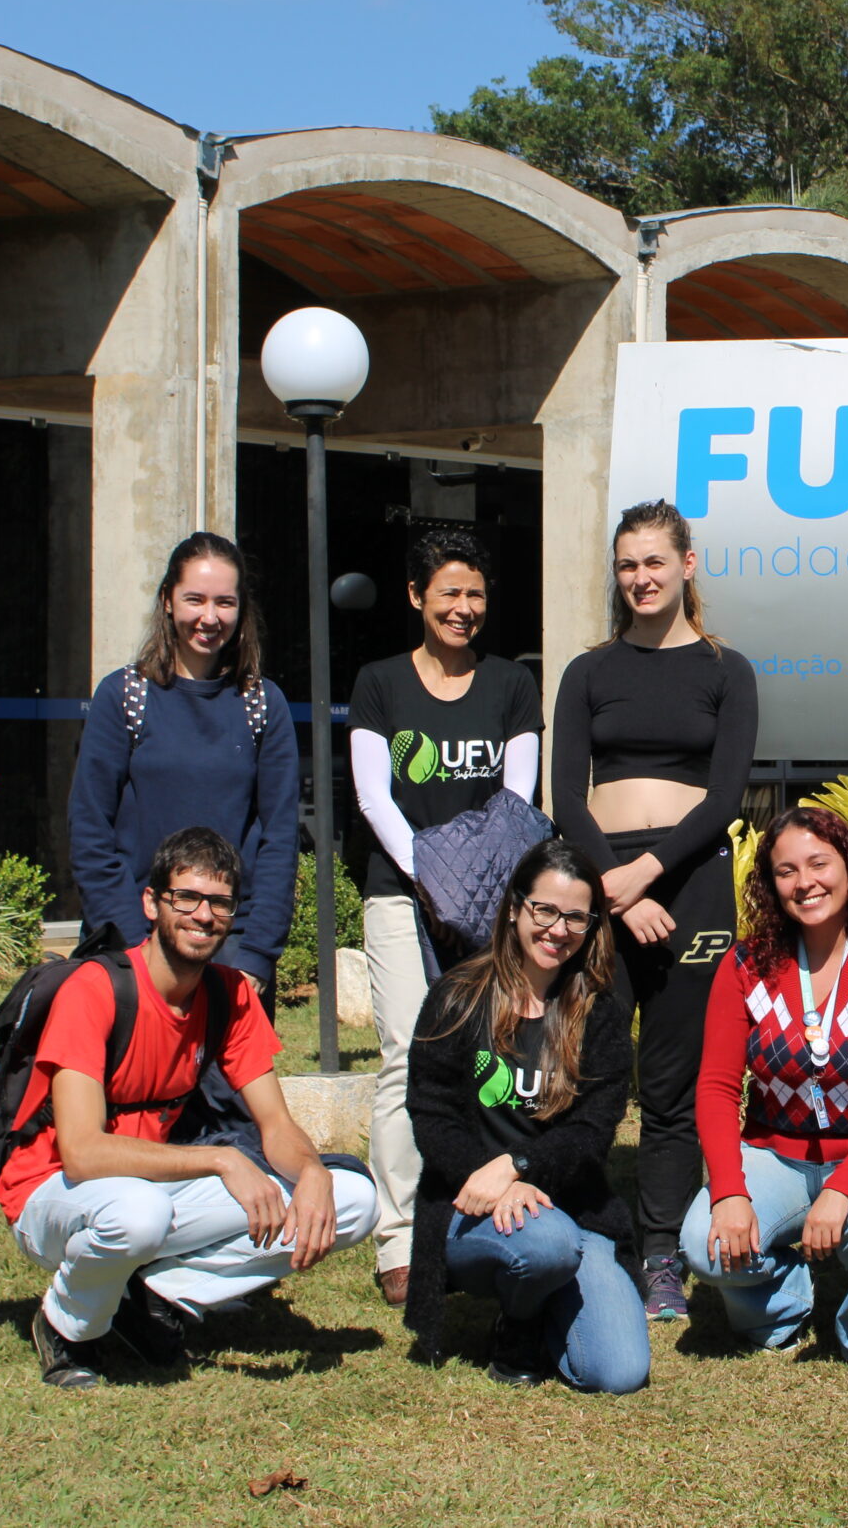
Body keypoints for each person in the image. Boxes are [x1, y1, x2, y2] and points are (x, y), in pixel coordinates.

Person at [0, 827, 378, 1389]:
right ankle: (66, 1325)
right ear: (153, 903)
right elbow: (80, 1154)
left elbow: (275, 1123)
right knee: (137, 1216)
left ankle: (157, 1296)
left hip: (146, 1180)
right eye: (188, 898)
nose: (204, 915)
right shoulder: (95, 989)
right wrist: (222, 1161)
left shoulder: (230, 994)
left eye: (220, 902)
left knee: (353, 1200)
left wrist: (313, 1172)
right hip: (51, 1193)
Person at [552, 499, 757, 1322]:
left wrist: (648, 871)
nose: (641, 577)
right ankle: (584, 1234)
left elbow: (727, 793)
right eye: (628, 564)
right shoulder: (588, 671)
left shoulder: (724, 668)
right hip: (600, 891)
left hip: (690, 884)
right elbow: (566, 795)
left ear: (687, 564)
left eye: (654, 562)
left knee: (674, 1082)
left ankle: (663, 1251)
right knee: (588, 1071)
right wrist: (613, 882)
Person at [349, 528, 542, 1307]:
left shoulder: (510, 685)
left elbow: (517, 802)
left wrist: (474, 888)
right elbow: (373, 796)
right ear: (416, 596)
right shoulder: (379, 682)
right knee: (406, 1053)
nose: (463, 608)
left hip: (492, 903)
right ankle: (397, 1238)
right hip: (400, 894)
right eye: (448, 593)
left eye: (475, 595)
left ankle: (492, 1206)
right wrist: (429, 874)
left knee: (488, 1061)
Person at [681, 808, 848, 1365]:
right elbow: (718, 1089)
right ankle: (782, 1306)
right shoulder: (746, 966)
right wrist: (728, 1191)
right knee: (705, 1245)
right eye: (786, 870)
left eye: (819, 863)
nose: (805, 882)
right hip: (776, 1155)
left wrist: (843, 1188)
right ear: (770, 884)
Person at [402, 837, 649, 1394]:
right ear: (515, 908)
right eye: (545, 910)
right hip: (472, 1205)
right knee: (544, 1245)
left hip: (573, 1211)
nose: (557, 929)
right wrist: (489, 1178)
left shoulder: (599, 1012)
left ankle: (547, 1298)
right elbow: (431, 1113)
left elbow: (591, 1132)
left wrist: (517, 1166)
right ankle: (518, 1323)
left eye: (576, 918)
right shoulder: (458, 996)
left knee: (619, 1373)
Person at [69, 532, 298, 1012]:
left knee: (225, 1087)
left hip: (229, 946)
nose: (210, 618)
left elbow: (279, 838)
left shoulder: (262, 704)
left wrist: (256, 954)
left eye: (225, 602)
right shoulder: (123, 696)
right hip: (136, 938)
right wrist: (133, 946)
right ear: (168, 601)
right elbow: (90, 828)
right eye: (195, 599)